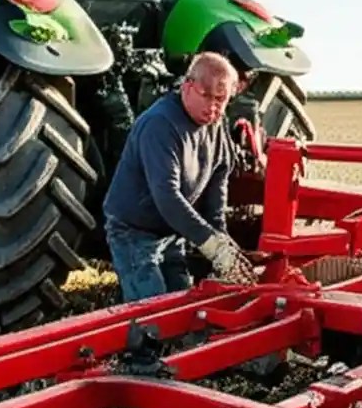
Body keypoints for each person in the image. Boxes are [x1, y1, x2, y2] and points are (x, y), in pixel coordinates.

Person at [101, 51, 258, 303]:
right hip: (135, 231)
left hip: (173, 231)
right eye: (206, 96)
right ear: (187, 86)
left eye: (221, 99)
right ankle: (140, 340)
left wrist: (221, 241)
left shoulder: (215, 126)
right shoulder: (160, 124)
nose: (213, 107)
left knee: (182, 304)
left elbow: (218, 181)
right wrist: (209, 243)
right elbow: (166, 195)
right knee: (151, 310)